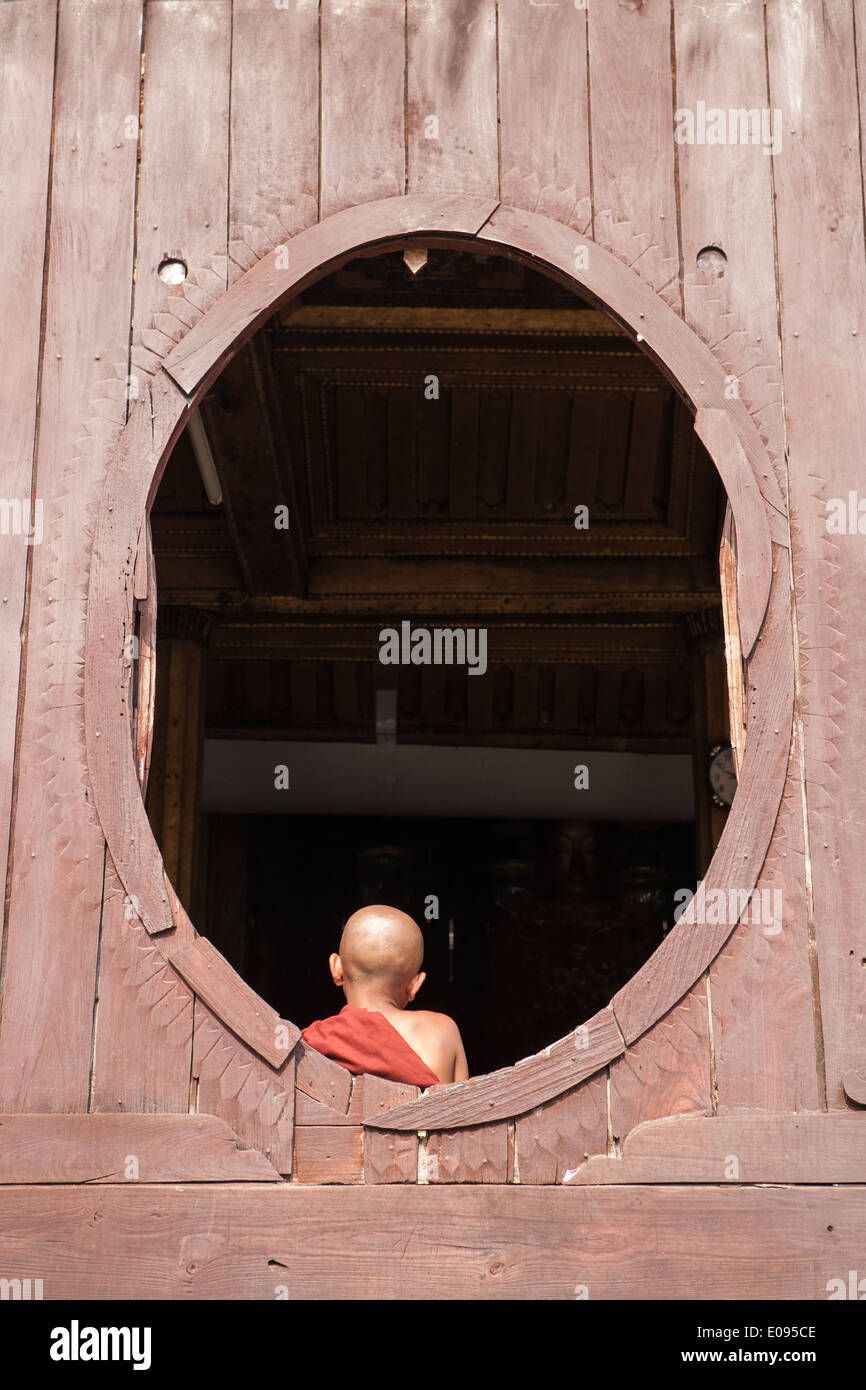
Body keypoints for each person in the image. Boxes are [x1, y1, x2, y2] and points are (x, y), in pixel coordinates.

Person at [301, 904, 469, 1087]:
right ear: (415, 985)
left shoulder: (309, 1044)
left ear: (336, 967)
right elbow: (464, 1112)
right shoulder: (442, 1032)